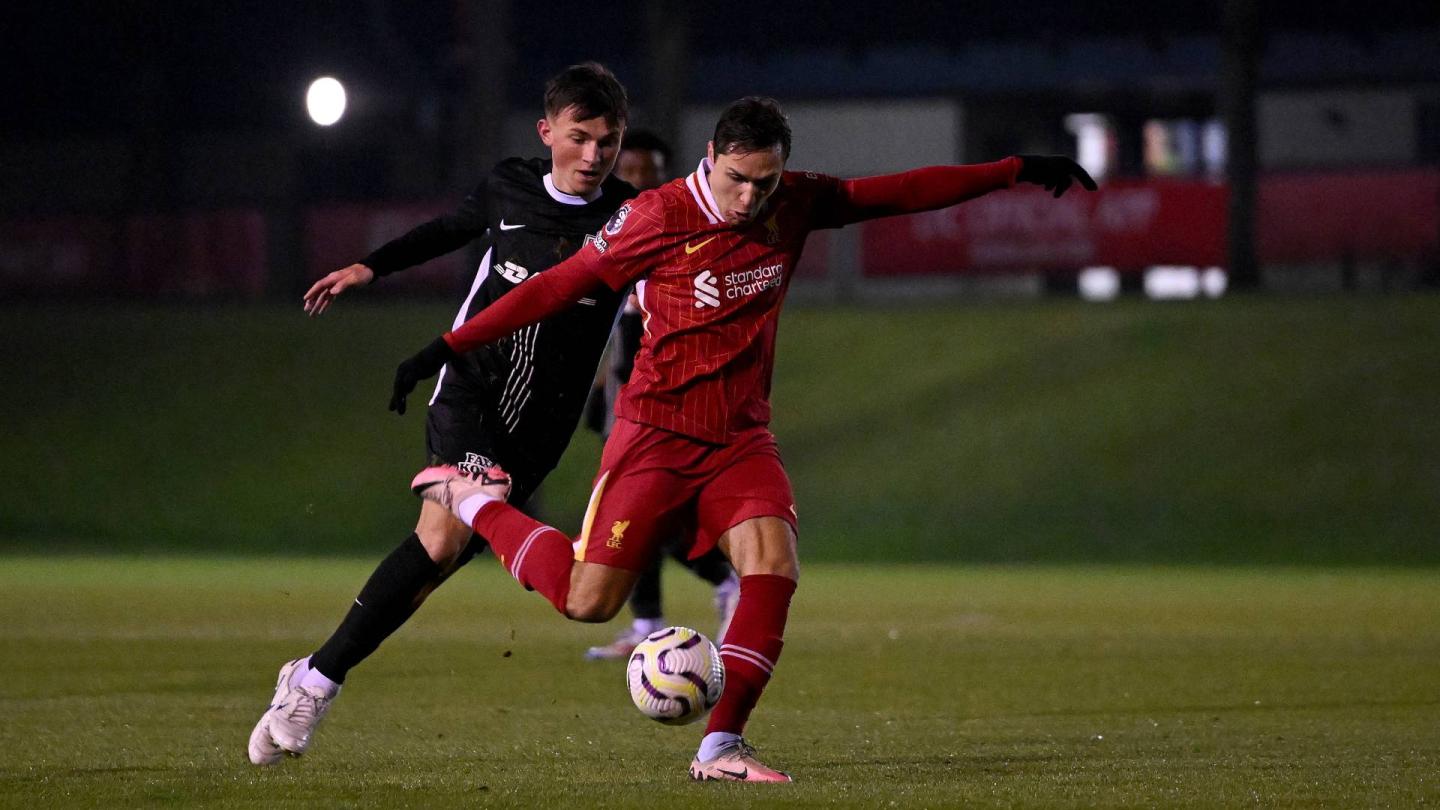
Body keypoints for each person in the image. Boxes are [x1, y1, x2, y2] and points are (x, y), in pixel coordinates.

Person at [390, 96, 1096, 782]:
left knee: (773, 567)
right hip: (654, 438)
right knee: (587, 601)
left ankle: (721, 745)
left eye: (764, 182)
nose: (748, 198)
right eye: (737, 180)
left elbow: (902, 191)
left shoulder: (794, 200)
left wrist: (1012, 170)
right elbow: (553, 287)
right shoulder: (654, 215)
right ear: (710, 158)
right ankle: (469, 500)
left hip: (739, 439)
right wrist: (446, 347)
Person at [247, 62, 637, 767]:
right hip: (473, 389)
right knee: (450, 526)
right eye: (579, 138)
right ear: (547, 131)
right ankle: (318, 683)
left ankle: (310, 674)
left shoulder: (631, 218)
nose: (592, 155)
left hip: (540, 426)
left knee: (440, 548)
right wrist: (371, 267)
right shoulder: (508, 185)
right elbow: (450, 228)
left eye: (607, 142)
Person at [582, 129, 739, 661]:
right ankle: (654, 618)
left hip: (659, 393)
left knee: (645, 514)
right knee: (637, 514)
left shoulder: (674, 225)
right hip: (624, 385)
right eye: (631, 170)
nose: (638, 180)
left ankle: (720, 582)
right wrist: (602, 382)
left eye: (649, 171)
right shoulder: (614, 223)